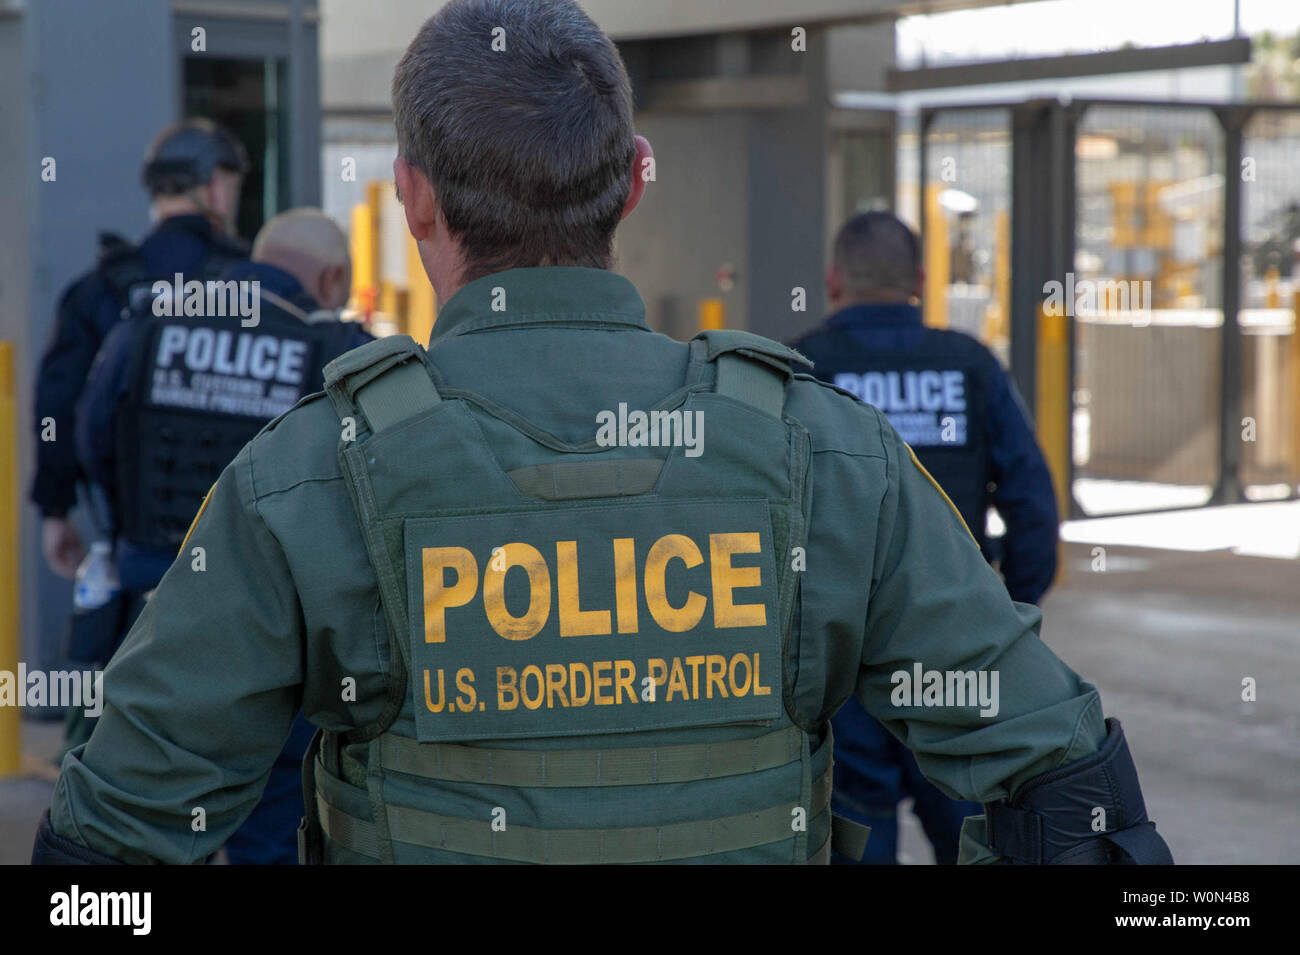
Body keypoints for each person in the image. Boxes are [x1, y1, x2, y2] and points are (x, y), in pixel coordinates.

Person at [33, 0, 1170, 866]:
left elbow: (113, 838)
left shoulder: (303, 479)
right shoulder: (828, 456)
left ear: (411, 199)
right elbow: (1068, 792)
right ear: (633, 184)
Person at [70, 208, 371, 863]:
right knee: (274, 823)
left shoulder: (148, 322)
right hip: (277, 630)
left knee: (143, 818)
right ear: (332, 277)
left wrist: (127, 539)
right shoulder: (334, 346)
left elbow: (92, 436)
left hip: (147, 608)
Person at [792, 211, 1061, 864]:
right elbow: (1034, 511)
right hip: (956, 650)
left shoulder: (800, 369)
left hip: (841, 663)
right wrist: (1005, 612)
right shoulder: (971, 365)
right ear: (918, 279)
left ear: (833, 281)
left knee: (856, 833)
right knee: (974, 835)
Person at [32, 118, 250, 582]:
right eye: (231, 187)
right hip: (242, 557)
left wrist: (55, 509)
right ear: (213, 187)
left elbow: (57, 405)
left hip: (132, 553)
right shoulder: (250, 285)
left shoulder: (97, 290)